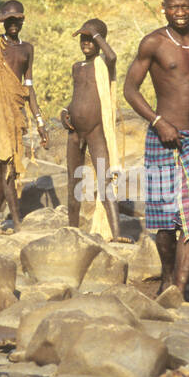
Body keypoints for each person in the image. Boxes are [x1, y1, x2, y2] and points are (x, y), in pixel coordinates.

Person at [123, 0, 189, 299]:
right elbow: (130, 89)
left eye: (186, 6)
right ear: (163, 8)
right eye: (174, 6)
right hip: (163, 139)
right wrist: (157, 121)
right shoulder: (153, 43)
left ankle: (178, 289)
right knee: (165, 219)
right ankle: (167, 276)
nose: (180, 12)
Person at [0, 0, 49, 234]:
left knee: (10, 170)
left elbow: (29, 86)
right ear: (4, 21)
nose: (13, 24)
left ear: (23, 21)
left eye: (17, 20)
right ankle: (15, 221)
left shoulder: (27, 49)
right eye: (9, 20)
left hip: (15, 114)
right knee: (5, 167)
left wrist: (40, 120)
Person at [60, 18, 128, 242]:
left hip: (96, 132)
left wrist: (97, 35)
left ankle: (116, 234)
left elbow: (113, 56)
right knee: (73, 183)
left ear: (100, 42)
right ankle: (72, 230)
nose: (86, 43)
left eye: (91, 39)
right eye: (83, 38)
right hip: (75, 133)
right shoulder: (77, 67)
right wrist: (64, 111)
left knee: (105, 179)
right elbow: (76, 96)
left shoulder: (104, 64)